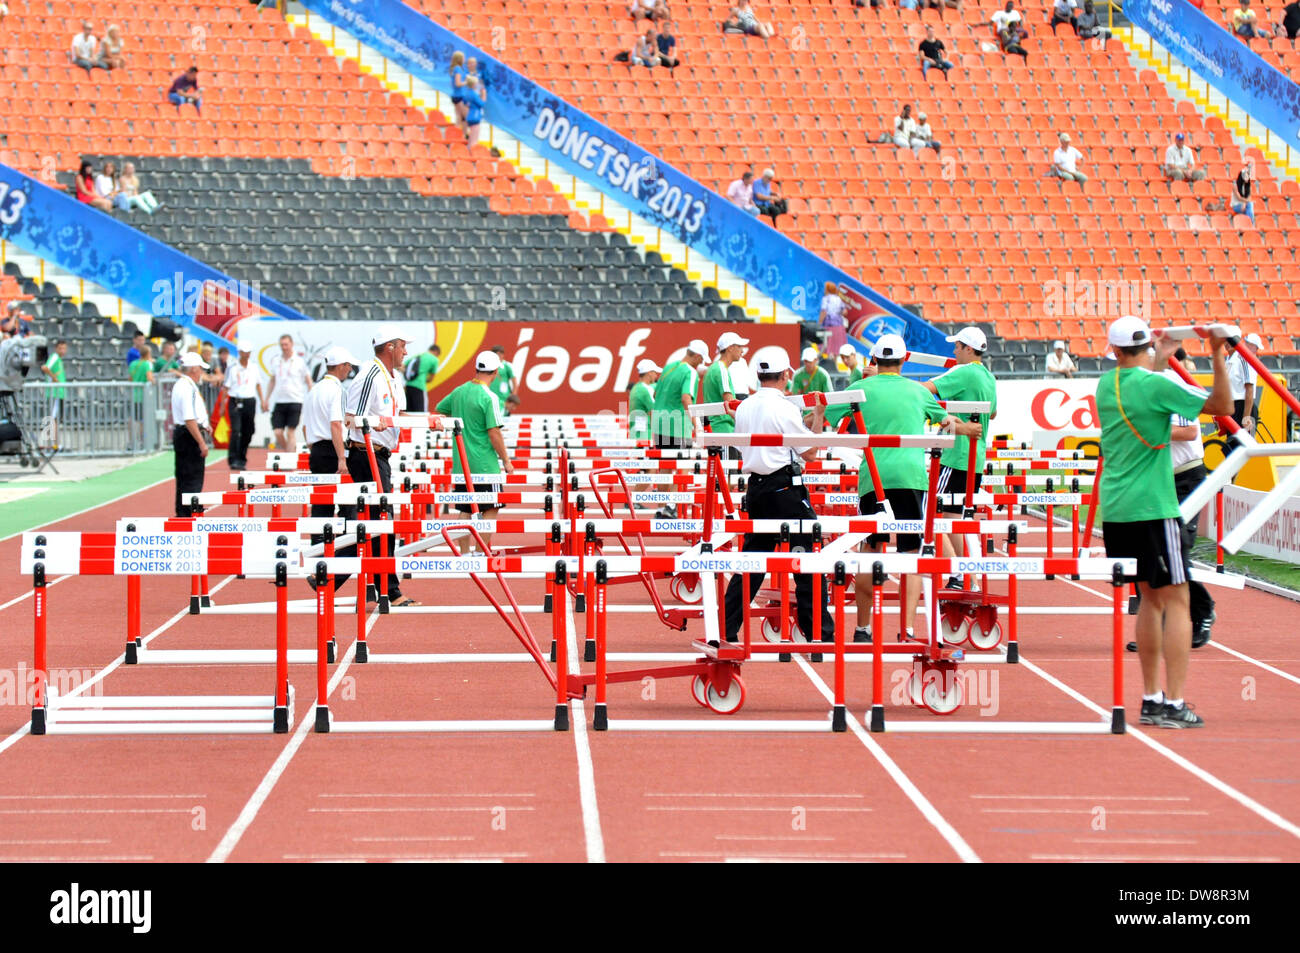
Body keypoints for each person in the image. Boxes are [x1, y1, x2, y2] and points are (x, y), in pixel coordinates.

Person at [1096, 315, 1232, 728]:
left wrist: (1162, 356)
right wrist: (1217, 354)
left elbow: (1141, 383)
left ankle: (1152, 698)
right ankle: (1174, 703)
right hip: (1154, 508)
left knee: (1149, 601)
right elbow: (1223, 407)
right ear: (1145, 347)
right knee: (1177, 602)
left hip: (1117, 511)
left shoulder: (1107, 386)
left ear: (1116, 351)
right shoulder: (1158, 385)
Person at [853, 335, 977, 641]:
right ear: (903, 361)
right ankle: (906, 630)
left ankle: (862, 628)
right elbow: (947, 422)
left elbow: (825, 416)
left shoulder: (860, 388)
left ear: (874, 360)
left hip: (873, 477)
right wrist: (969, 429)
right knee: (911, 553)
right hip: (910, 478)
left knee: (870, 550)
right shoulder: (917, 391)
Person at [722, 347, 834, 645]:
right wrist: (819, 417)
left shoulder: (744, 407)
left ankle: (727, 627)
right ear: (786, 375)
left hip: (756, 489)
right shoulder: (785, 408)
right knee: (807, 559)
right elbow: (810, 452)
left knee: (753, 561)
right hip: (785, 489)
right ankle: (818, 632)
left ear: (758, 376)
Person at [1127, 348, 1216, 653]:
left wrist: (1148, 430)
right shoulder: (1138, 388)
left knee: (1175, 549)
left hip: (1186, 477)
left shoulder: (1167, 384)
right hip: (1160, 478)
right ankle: (1156, 626)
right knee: (1153, 550)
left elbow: (1190, 430)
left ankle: (1201, 611)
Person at [344, 324, 418, 607]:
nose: (406, 352)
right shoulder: (369, 375)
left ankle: (375, 586)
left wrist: (428, 421)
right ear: (390, 347)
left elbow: (397, 414)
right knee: (381, 521)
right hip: (366, 455)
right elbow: (352, 418)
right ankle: (389, 589)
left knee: (376, 521)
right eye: (403, 346)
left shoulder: (393, 377)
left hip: (381, 454)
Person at [922, 327, 997, 585]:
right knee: (960, 518)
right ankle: (968, 576)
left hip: (955, 455)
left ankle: (961, 573)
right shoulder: (988, 376)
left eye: (957, 346)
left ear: (967, 348)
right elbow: (994, 412)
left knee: (930, 512)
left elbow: (925, 389)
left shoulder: (962, 372)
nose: (953, 351)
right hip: (975, 458)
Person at [435, 351, 516, 554]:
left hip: (462, 462)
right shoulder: (490, 397)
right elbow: (494, 432)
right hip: (485, 463)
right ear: (496, 372)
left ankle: (463, 553)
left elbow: (440, 408)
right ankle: (481, 552)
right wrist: (506, 460)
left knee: (466, 508)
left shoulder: (459, 391)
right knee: (491, 507)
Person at [303, 345, 357, 584]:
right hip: (332, 450)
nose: (350, 370)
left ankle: (318, 563)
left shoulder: (314, 389)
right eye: (349, 366)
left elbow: (305, 426)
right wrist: (342, 458)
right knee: (347, 509)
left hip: (316, 450)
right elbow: (337, 425)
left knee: (321, 508)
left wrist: (313, 447)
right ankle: (337, 561)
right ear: (342, 366)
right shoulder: (337, 390)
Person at [172, 351, 212, 517]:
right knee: (192, 477)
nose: (202, 373)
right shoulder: (187, 388)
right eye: (201, 369)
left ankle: (184, 512)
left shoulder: (182, 385)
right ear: (194, 369)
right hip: (188, 436)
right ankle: (188, 513)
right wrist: (201, 442)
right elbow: (189, 419)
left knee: (185, 476)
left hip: (185, 433)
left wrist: (204, 425)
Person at [651, 339, 710, 450]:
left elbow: (655, 394)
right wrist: (697, 425)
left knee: (665, 464)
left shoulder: (668, 367)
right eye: (701, 360)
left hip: (660, 425)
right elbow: (686, 398)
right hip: (678, 426)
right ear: (697, 356)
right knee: (683, 465)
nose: (700, 364)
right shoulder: (690, 372)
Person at [264, 333, 311, 453]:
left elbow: (308, 381)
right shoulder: (276, 360)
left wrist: (311, 398)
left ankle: (289, 458)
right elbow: (272, 381)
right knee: (277, 432)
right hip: (280, 401)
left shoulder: (299, 361)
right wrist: (266, 399)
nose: (284, 347)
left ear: (291, 344)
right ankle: (289, 452)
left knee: (290, 432)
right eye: (282, 345)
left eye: (286, 344)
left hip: (295, 400)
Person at [222, 340, 262, 472]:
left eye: (248, 352)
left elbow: (258, 384)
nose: (246, 355)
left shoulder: (254, 367)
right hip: (235, 400)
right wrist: (223, 405)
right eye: (244, 352)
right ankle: (233, 459)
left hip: (250, 401)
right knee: (236, 430)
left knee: (248, 431)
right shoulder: (232, 367)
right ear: (239, 352)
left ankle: (242, 457)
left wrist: (263, 401)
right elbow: (226, 387)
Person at [701, 331, 748, 442]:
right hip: (722, 430)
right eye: (739, 346)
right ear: (730, 348)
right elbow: (730, 403)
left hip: (715, 428)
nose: (742, 350)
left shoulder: (714, 368)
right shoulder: (721, 370)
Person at [1227, 332, 1262, 431]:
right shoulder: (1231, 360)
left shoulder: (1243, 359)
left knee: (1240, 443)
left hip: (1242, 407)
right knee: (1235, 443)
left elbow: (1249, 389)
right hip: (1235, 407)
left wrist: (1246, 416)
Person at [41, 339, 68, 448]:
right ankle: (52, 445)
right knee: (51, 419)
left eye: (64, 348)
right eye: (61, 348)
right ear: (56, 348)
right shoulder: (55, 357)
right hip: (54, 393)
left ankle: (54, 445)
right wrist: (54, 379)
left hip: (59, 393)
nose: (63, 350)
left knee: (54, 419)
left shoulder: (59, 360)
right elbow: (45, 367)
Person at [628, 358, 660, 442]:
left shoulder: (636, 388)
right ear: (649, 373)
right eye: (655, 373)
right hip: (644, 435)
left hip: (636, 432)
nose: (656, 376)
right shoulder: (645, 389)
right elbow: (654, 412)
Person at [404, 342, 440, 413]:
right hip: (420, 387)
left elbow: (403, 366)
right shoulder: (434, 359)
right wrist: (424, 379)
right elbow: (431, 378)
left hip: (408, 386)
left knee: (408, 412)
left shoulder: (419, 356)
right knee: (421, 413)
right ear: (436, 352)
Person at [819, 282, 848, 356]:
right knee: (836, 347)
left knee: (827, 345)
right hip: (839, 326)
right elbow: (845, 312)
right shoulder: (838, 299)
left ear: (827, 289)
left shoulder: (826, 299)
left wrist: (819, 323)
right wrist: (837, 314)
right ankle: (834, 364)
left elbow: (824, 312)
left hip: (829, 325)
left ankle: (828, 364)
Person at [489, 345, 516, 411]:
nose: (499, 356)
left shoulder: (507, 366)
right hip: (491, 397)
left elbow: (515, 383)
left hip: (504, 398)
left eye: (501, 354)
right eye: (497, 354)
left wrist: (512, 399)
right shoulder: (489, 365)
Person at [450, 51, 470, 138]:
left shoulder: (454, 68)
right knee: (463, 116)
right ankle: (463, 134)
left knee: (459, 116)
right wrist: (466, 82)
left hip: (456, 95)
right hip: (459, 96)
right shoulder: (458, 69)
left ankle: (461, 134)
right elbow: (458, 83)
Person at [463, 77, 486, 146]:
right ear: (473, 84)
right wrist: (484, 94)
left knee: (471, 138)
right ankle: (471, 152)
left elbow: (465, 102)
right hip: (475, 116)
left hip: (470, 115)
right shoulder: (473, 94)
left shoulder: (467, 93)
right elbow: (482, 104)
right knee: (474, 139)